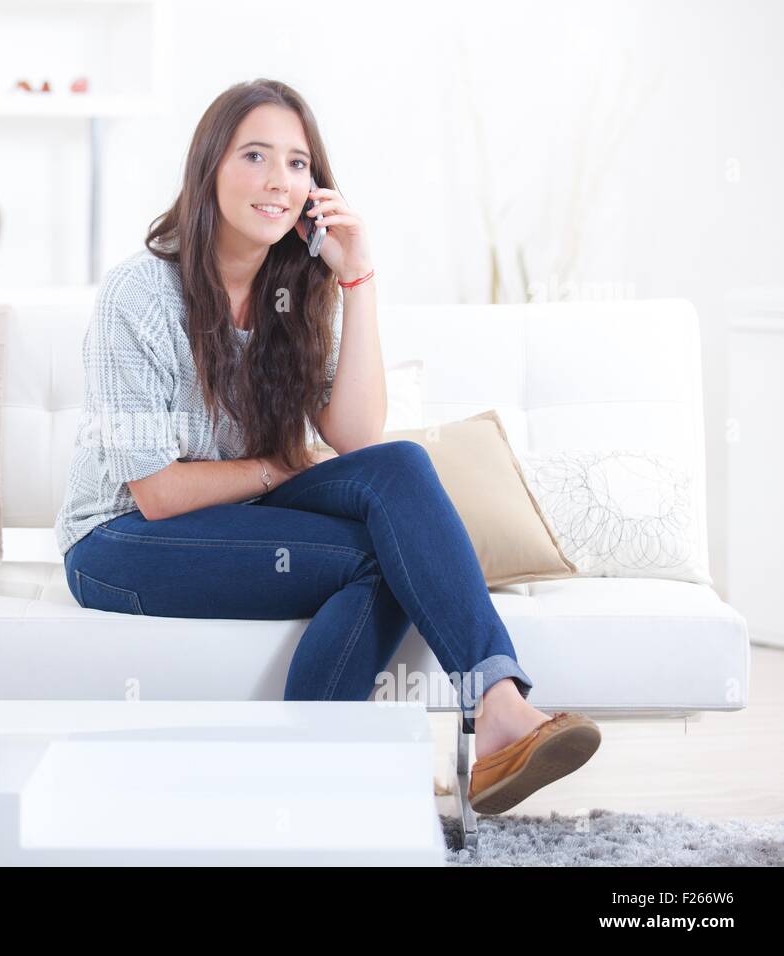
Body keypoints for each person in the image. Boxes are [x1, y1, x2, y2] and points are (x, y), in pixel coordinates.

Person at [53, 78, 600, 814]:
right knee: (389, 557)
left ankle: (496, 704)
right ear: (208, 167)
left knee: (400, 469)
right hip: (121, 538)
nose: (280, 180)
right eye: (255, 156)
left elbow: (357, 436)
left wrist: (358, 278)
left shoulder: (292, 288)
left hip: (243, 505)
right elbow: (155, 492)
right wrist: (280, 465)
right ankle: (310, 779)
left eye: (298, 163)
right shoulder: (141, 295)